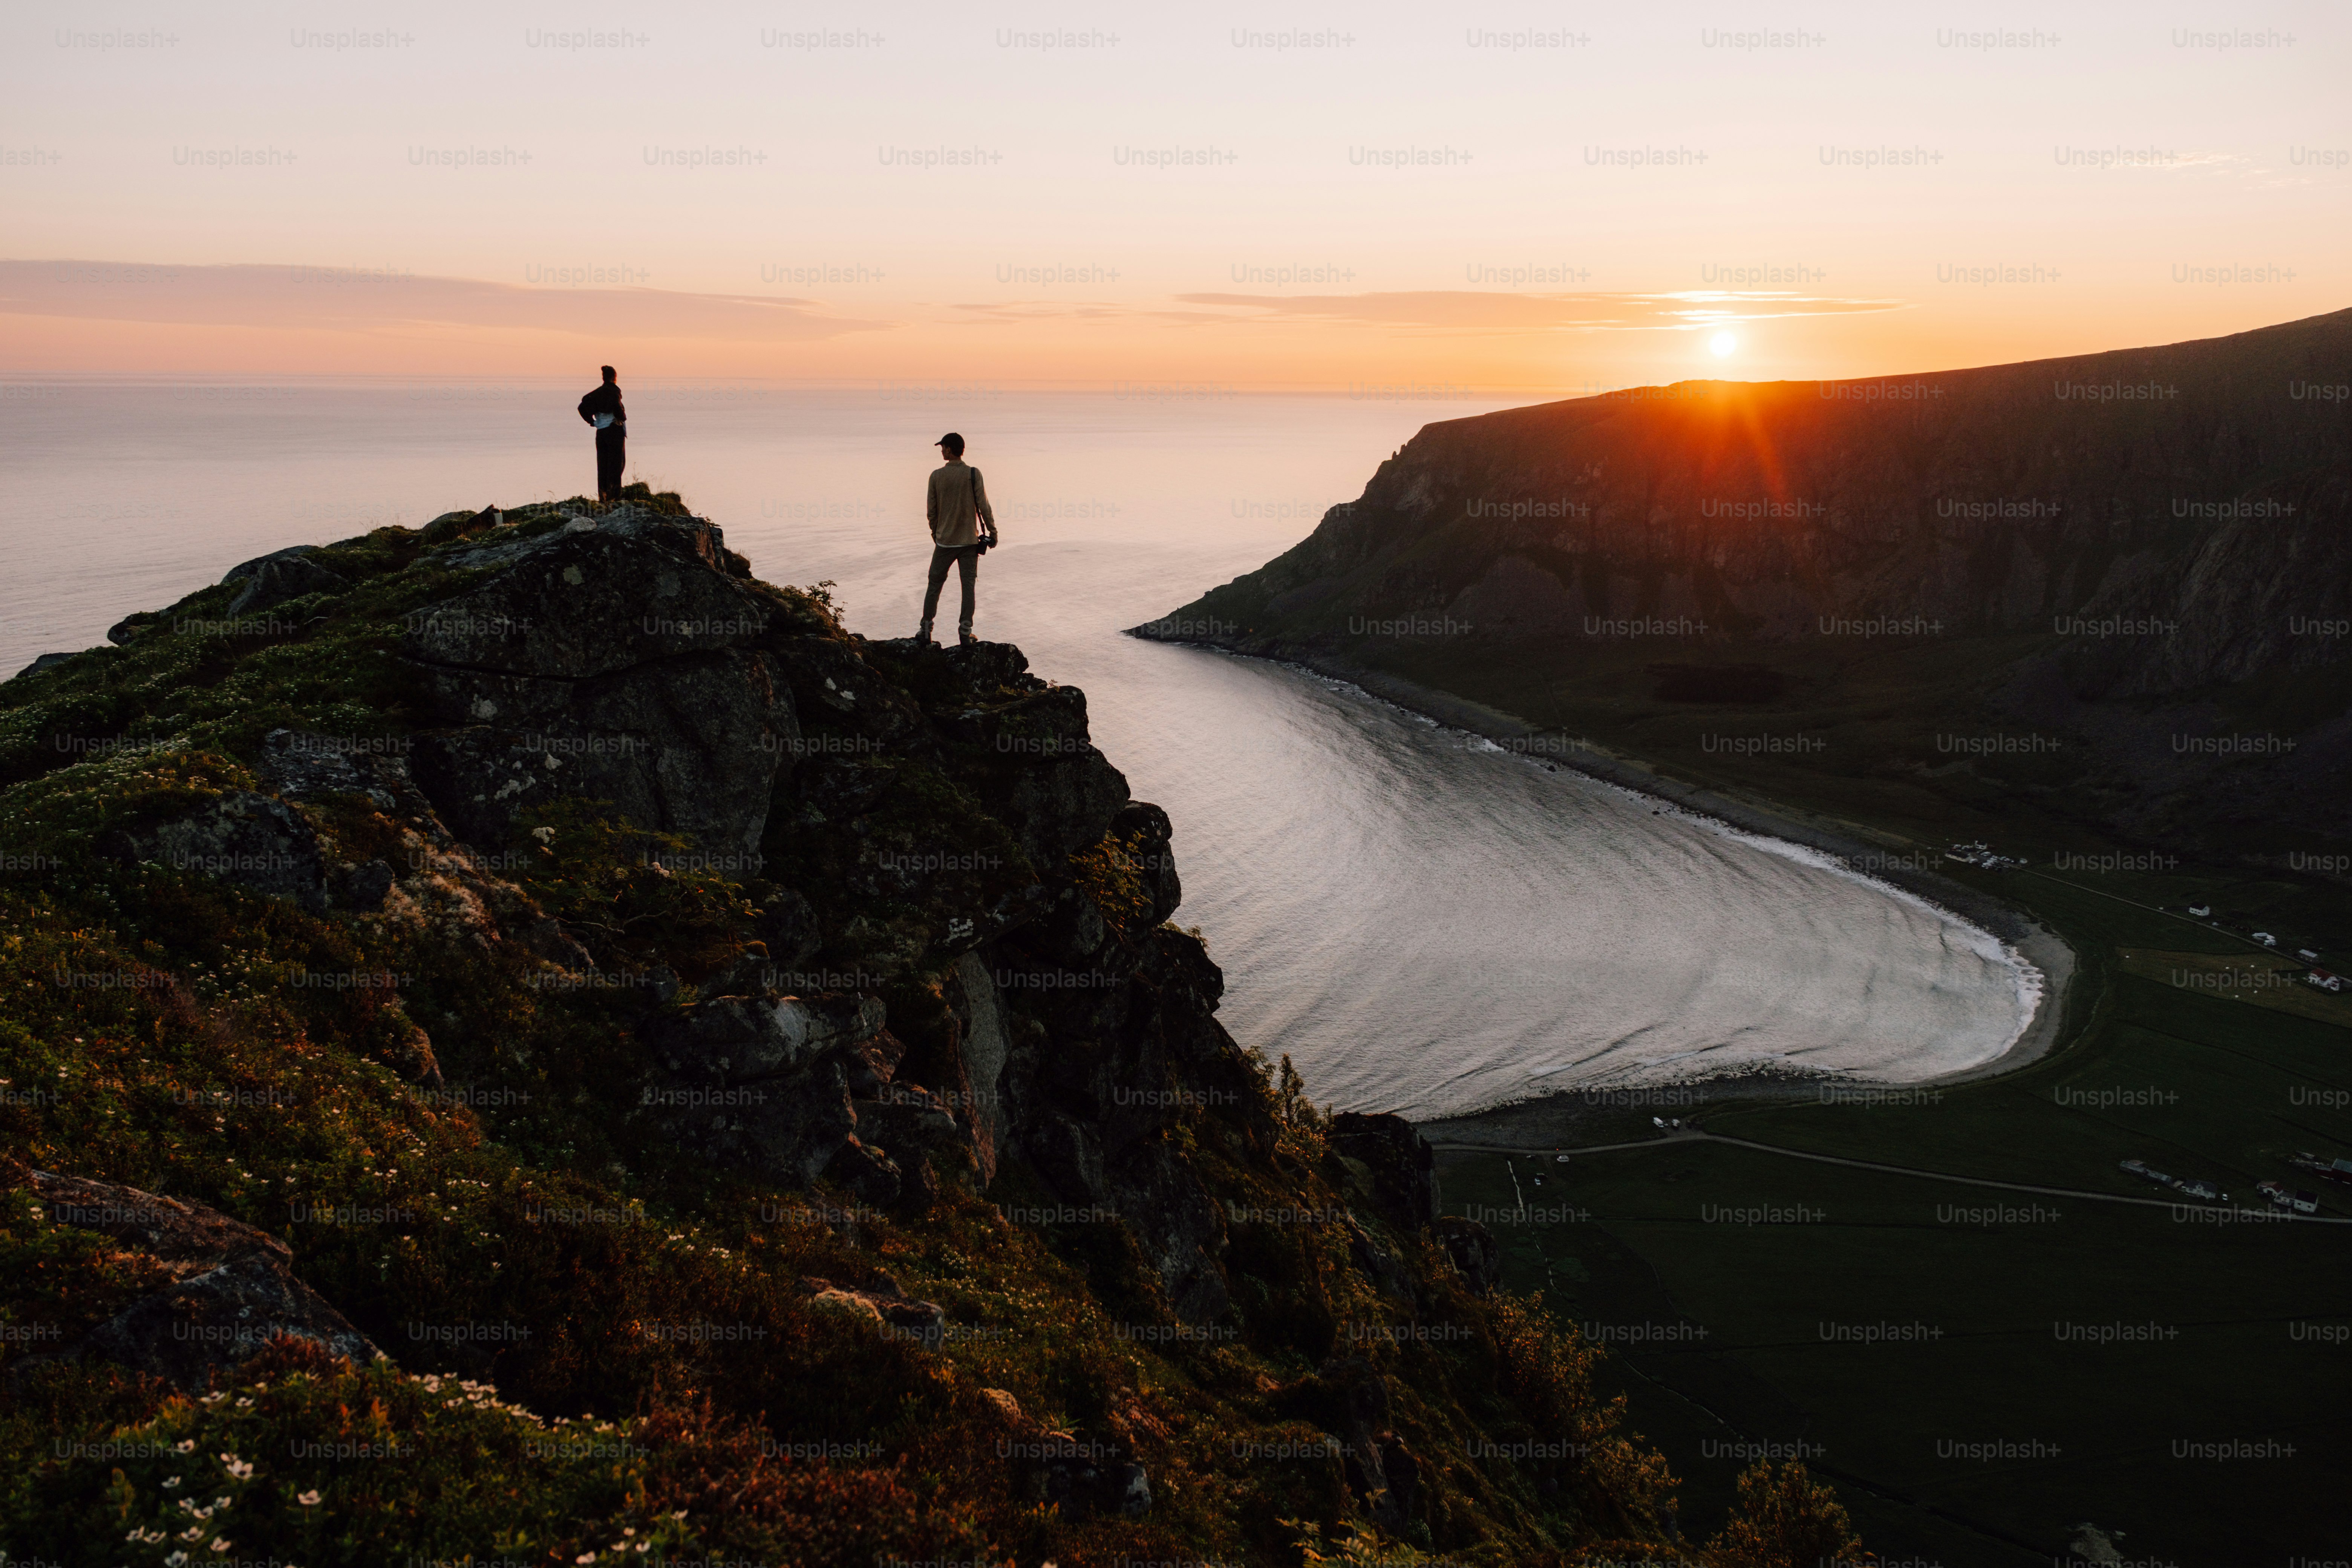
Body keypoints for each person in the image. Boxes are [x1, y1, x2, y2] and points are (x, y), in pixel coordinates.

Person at [920, 431, 997, 646]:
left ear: (949, 449)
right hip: (969, 543)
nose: (942, 451)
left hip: (945, 543)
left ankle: (926, 630)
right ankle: (966, 633)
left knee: (934, 585)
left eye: (943, 447)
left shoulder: (936, 476)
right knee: (968, 587)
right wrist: (993, 532)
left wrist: (936, 534)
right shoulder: (973, 474)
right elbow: (984, 506)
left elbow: (932, 511)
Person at [577, 366, 626, 504]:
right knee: (617, 464)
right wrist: (623, 416)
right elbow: (617, 409)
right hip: (614, 430)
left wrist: (591, 421)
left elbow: (582, 407)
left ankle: (603, 497)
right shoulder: (614, 391)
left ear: (603, 378)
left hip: (601, 432)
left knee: (603, 464)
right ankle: (615, 498)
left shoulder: (597, 393)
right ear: (614, 378)